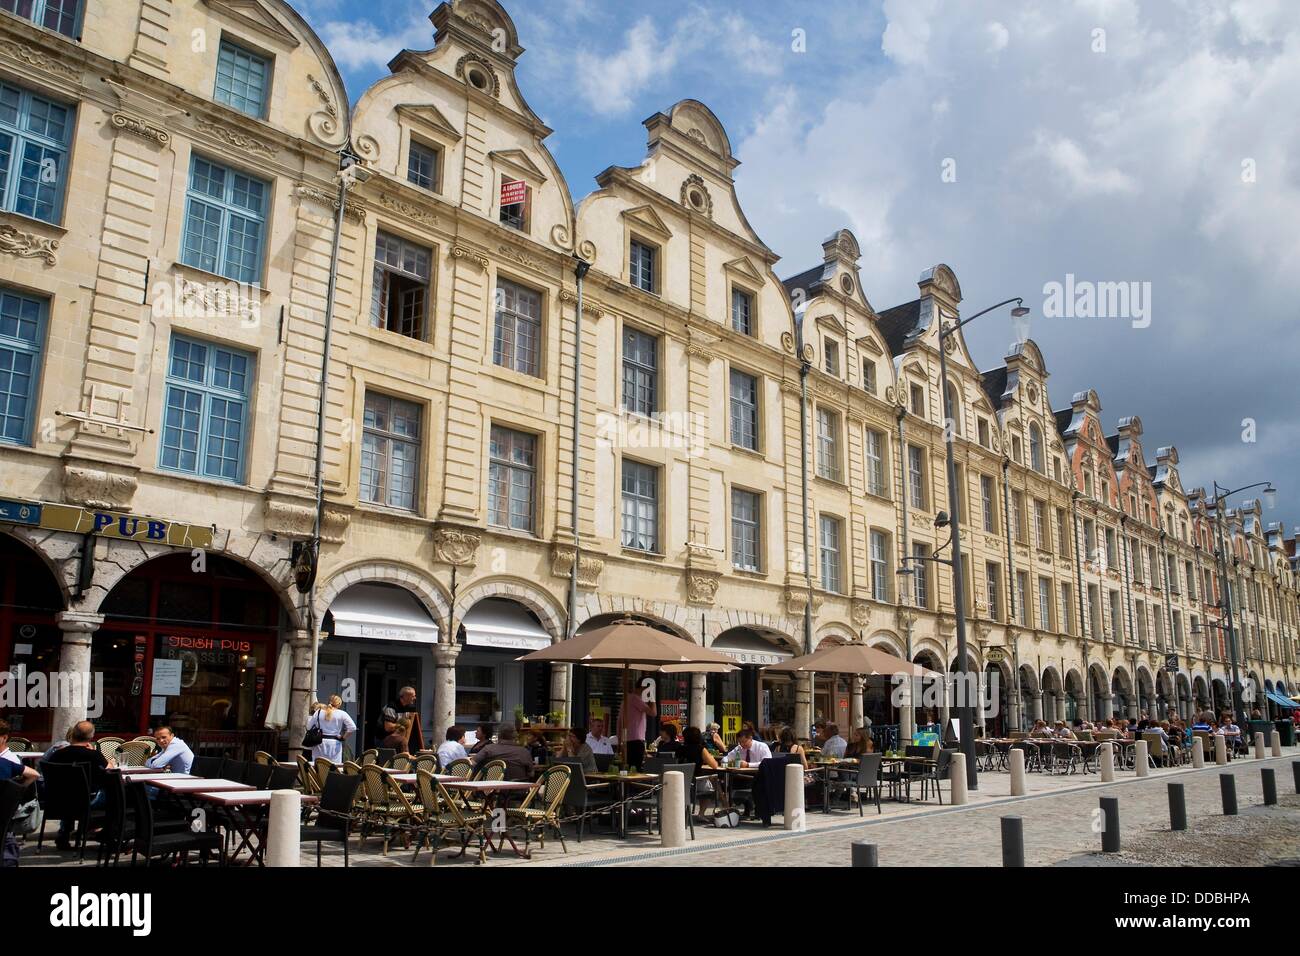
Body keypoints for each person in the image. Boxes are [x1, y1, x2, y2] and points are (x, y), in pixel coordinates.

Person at [44, 720, 113, 850]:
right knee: (114, 793)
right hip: (87, 802)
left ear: (73, 734)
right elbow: (108, 770)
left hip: (59, 801)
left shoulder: (58, 754)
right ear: (91, 736)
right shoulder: (93, 755)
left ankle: (64, 834)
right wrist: (111, 761)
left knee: (70, 793)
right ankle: (101, 830)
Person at [0, 719, 38, 867]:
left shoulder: (9, 761)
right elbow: (34, 774)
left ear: (4, 738)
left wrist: (15, 791)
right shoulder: (7, 763)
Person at [677, 726, 720, 813]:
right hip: (695, 782)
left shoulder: (680, 749)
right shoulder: (700, 749)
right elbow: (715, 765)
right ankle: (701, 813)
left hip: (680, 782)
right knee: (710, 786)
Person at [308, 695, 355, 765]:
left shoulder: (318, 712)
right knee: (334, 768)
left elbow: (309, 727)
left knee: (318, 766)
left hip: (319, 742)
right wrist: (343, 737)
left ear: (329, 702)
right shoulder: (342, 714)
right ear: (339, 704)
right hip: (334, 743)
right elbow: (352, 727)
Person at [620, 688, 656, 769]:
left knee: (628, 768)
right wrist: (652, 697)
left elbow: (619, 721)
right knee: (636, 769)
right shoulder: (635, 699)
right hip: (636, 741)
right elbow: (653, 712)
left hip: (627, 740)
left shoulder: (626, 701)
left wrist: (620, 741)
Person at [380, 686, 423, 751]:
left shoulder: (409, 707)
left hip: (399, 739)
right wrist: (402, 724)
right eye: (413, 696)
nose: (415, 698)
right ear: (406, 696)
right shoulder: (392, 707)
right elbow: (388, 727)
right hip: (385, 740)